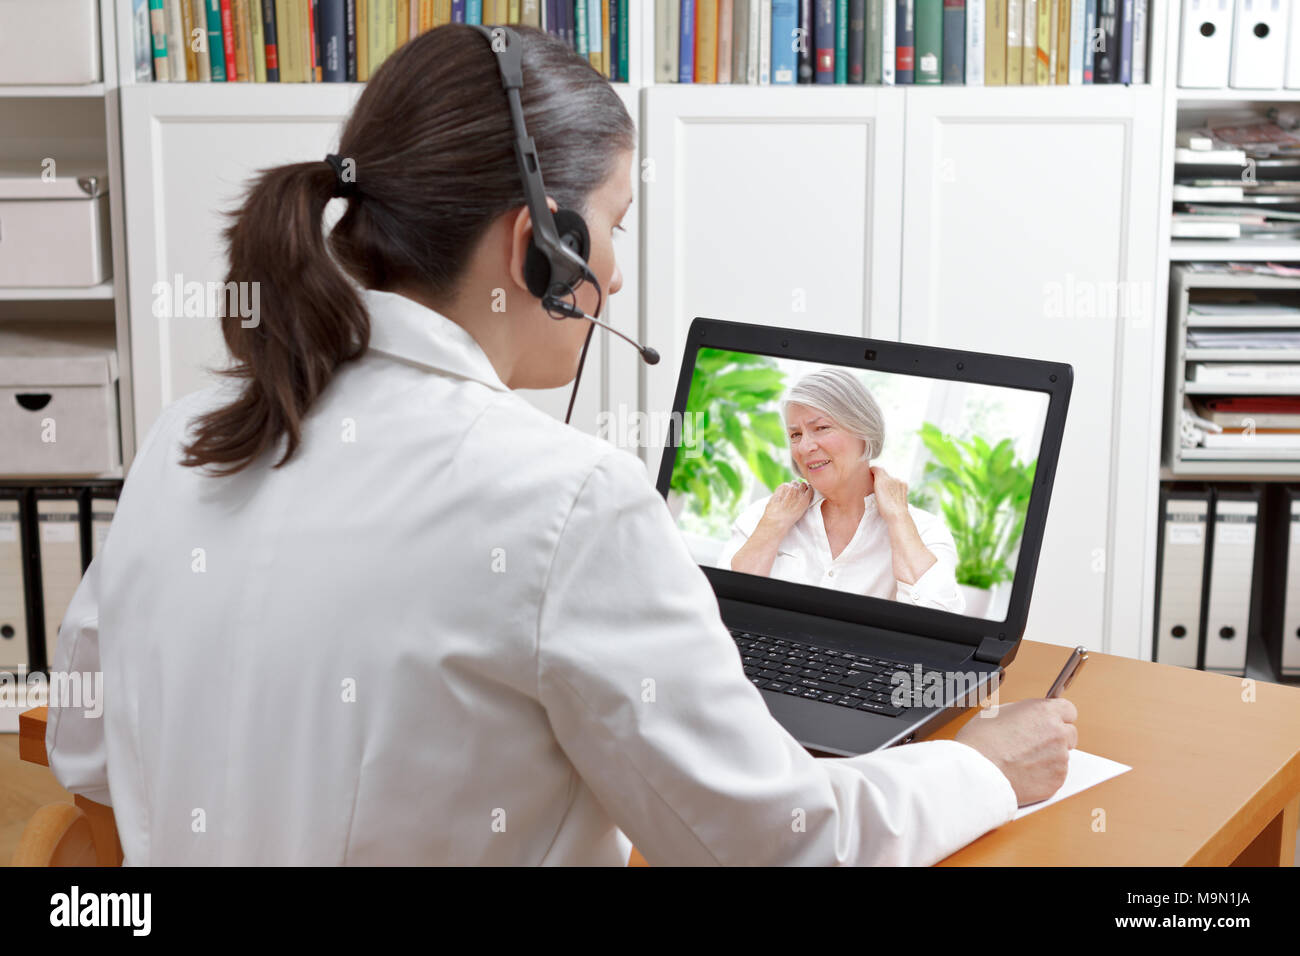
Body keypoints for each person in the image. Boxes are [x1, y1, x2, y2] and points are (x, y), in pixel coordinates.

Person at [45, 24, 1076, 866]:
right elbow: (776, 843)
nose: (615, 275)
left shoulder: (188, 437)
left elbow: (86, 753)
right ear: (533, 243)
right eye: (612, 223)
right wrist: (981, 766)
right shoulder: (565, 498)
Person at [720, 368, 965, 613]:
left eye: (822, 428)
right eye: (795, 434)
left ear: (863, 431)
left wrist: (898, 518)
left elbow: (939, 617)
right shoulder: (764, 516)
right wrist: (771, 527)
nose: (804, 447)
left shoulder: (923, 531)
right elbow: (721, 611)